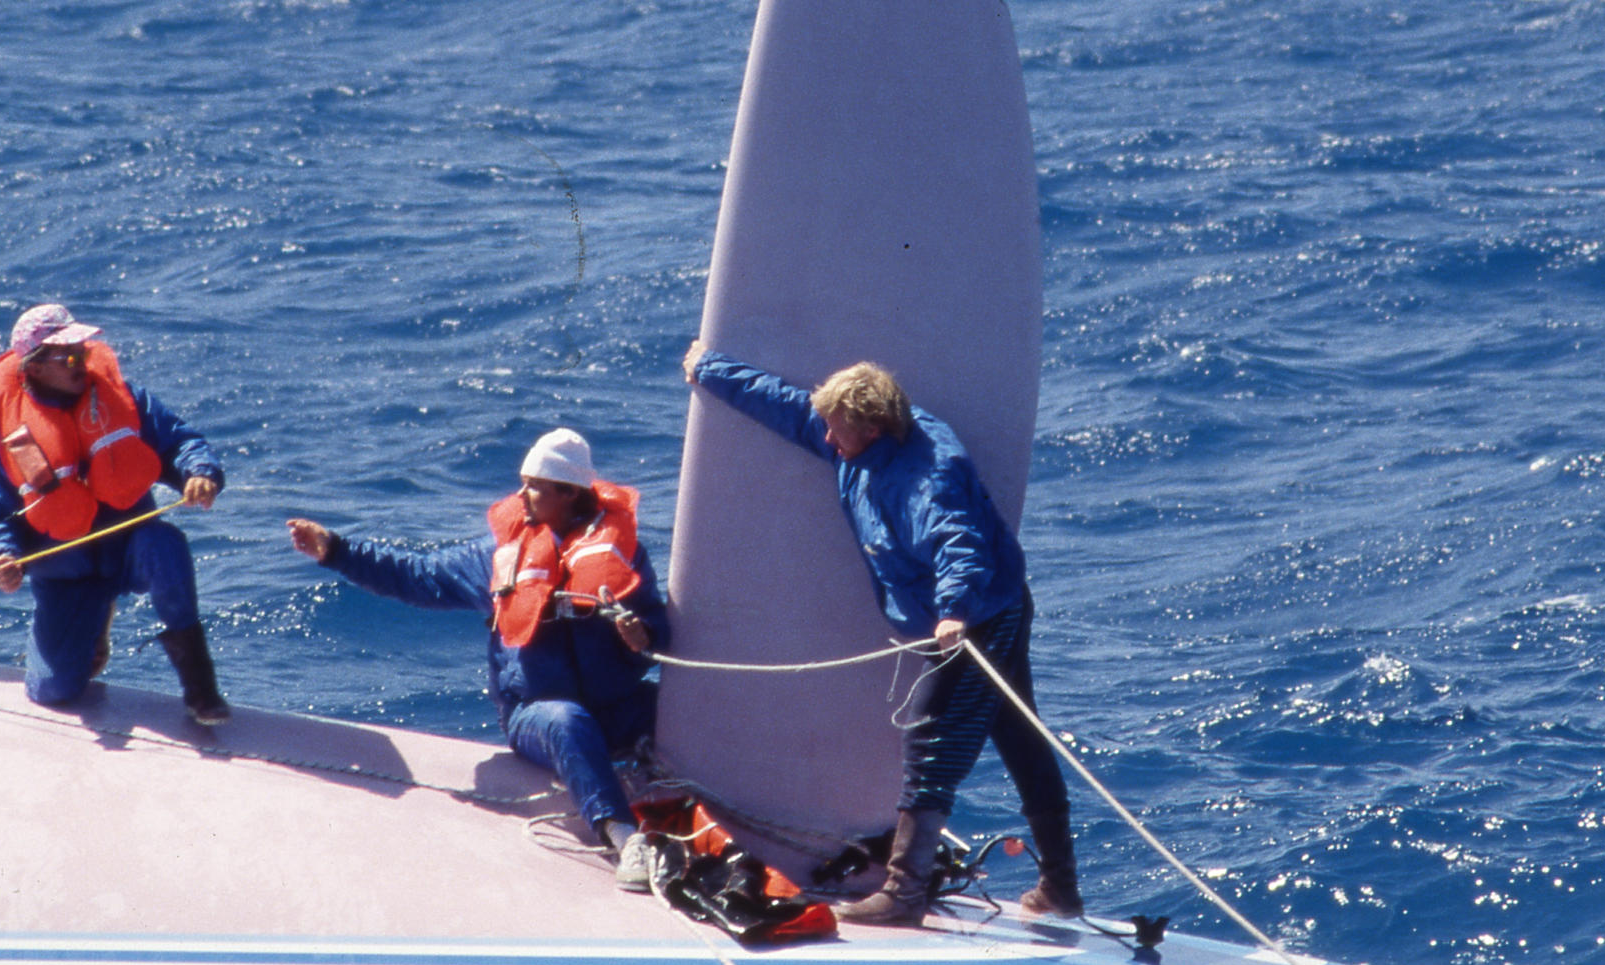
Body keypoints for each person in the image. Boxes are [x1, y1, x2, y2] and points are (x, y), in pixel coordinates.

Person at [682, 340, 1078, 923]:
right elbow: (790, 408)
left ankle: (905, 892)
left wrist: (953, 610)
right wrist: (708, 370)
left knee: (929, 738)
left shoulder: (925, 474)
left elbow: (958, 543)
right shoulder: (854, 441)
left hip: (978, 621)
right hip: (989, 606)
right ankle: (1061, 888)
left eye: (836, 430)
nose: (825, 439)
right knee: (1020, 741)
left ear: (872, 428)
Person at [287, 428, 669, 890]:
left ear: (569, 494)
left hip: (616, 706)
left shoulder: (622, 553)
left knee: (680, 705)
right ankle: (623, 838)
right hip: (537, 712)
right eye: (523, 481)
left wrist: (640, 635)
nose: (522, 495)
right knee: (567, 723)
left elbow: (659, 630)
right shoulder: (499, 558)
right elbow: (417, 576)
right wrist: (337, 551)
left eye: (535, 486)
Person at [0, 303, 229, 723]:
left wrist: (199, 471)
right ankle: (85, 627)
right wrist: (2, 555)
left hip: (129, 550)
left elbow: (181, 441)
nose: (78, 362)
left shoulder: (126, 400)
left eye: (81, 350)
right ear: (33, 367)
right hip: (65, 574)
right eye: (64, 355)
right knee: (54, 692)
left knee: (165, 544)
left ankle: (200, 688)